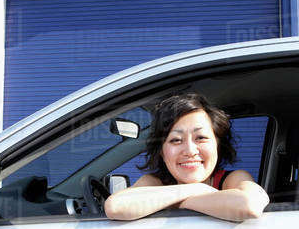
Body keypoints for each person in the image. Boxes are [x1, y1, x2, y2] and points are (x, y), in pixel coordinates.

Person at [104, 93, 269, 221]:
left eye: (201, 138)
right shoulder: (156, 182)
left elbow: (249, 205)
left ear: (217, 144)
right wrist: (196, 189)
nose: (190, 150)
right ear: (161, 151)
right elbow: (115, 206)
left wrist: (180, 201)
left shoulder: (233, 179)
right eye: (176, 140)